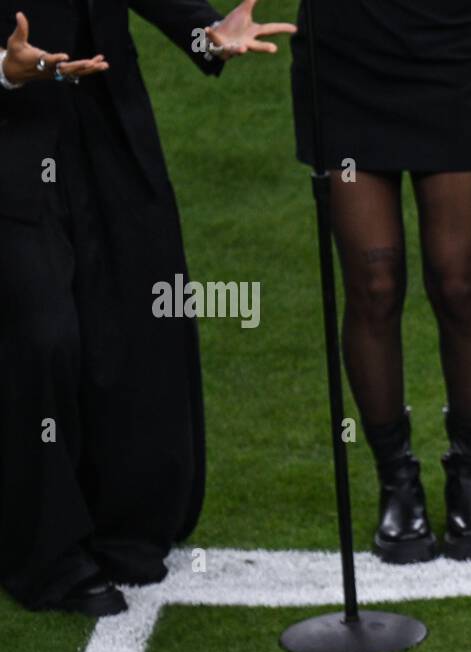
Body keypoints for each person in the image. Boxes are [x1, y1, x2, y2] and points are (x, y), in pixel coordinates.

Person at [0, 1, 295, 616]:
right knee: (44, 331)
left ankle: (124, 523)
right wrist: (3, 67)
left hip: (109, 120)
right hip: (13, 132)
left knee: (137, 312)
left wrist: (205, 35)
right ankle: (48, 554)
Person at [289, 0, 471, 563]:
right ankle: (396, 480)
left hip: (451, 55)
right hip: (342, 63)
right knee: (373, 285)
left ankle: (468, 474)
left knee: (460, 284)